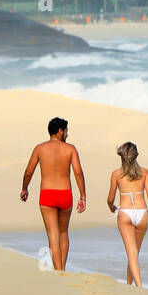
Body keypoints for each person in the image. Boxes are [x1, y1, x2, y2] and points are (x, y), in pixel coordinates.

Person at [20, 116, 86, 270]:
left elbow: (29, 171)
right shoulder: (70, 149)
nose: (67, 135)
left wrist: (25, 188)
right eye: (66, 131)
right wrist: (83, 196)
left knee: (53, 235)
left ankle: (59, 271)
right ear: (60, 131)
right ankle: (62, 268)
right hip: (65, 194)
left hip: (47, 195)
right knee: (63, 233)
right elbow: (78, 172)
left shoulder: (40, 148)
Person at [107, 141, 148, 287]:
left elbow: (110, 198)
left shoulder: (116, 174)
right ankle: (128, 285)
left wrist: (111, 206)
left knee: (132, 254)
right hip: (143, 214)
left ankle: (139, 287)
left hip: (125, 213)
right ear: (136, 155)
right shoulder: (145, 172)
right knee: (134, 254)